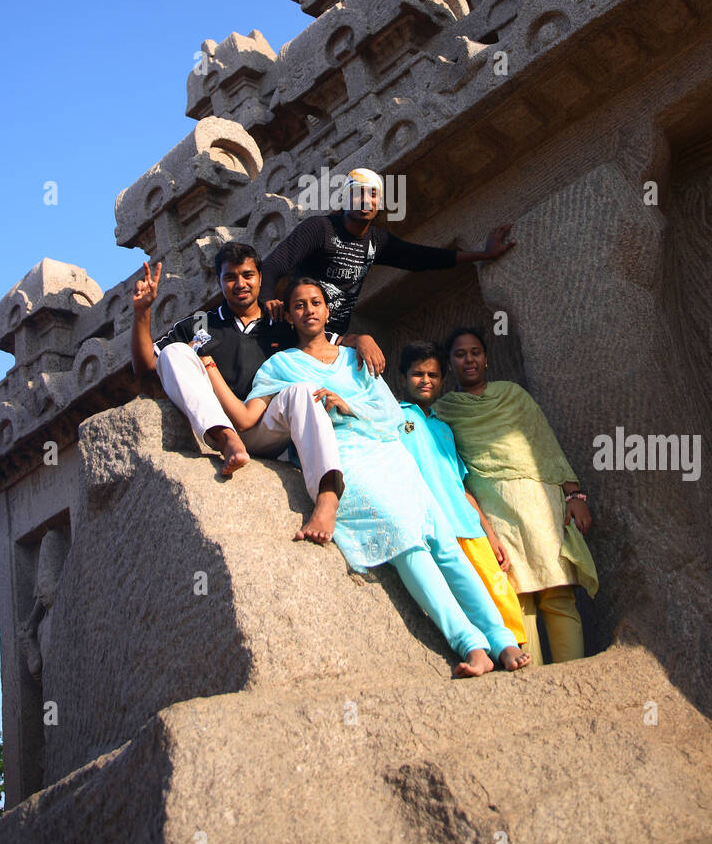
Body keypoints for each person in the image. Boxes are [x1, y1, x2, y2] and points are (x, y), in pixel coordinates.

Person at [200, 276, 532, 677]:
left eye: (316, 302)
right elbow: (248, 417)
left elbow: (391, 414)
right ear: (288, 315)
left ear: (327, 310)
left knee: (442, 541)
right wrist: (209, 370)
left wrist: (347, 402)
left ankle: (501, 638)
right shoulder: (281, 365)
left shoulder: (356, 357)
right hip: (344, 458)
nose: (308, 310)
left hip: (387, 451)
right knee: (406, 544)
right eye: (299, 305)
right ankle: (470, 643)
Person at [131, 242, 353, 516]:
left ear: (260, 277)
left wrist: (363, 341)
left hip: (268, 428)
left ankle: (326, 496)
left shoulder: (282, 322)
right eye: (230, 277)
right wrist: (142, 313)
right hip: (217, 426)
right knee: (174, 352)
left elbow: (329, 343)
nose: (240, 284)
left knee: (303, 391)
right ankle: (226, 439)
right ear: (219, 282)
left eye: (247, 275)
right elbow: (147, 368)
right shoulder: (202, 324)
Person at [434, 328, 599, 665]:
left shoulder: (512, 395)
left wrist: (574, 494)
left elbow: (544, 443)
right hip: (490, 508)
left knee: (558, 590)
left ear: (486, 358)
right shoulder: (444, 410)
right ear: (450, 364)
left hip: (538, 500)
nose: (469, 359)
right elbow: (448, 467)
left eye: (476, 352)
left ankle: (576, 675)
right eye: (460, 354)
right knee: (514, 595)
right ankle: (529, 683)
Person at [257, 167, 516, 371]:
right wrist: (268, 298)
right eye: (359, 193)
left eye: (372, 195)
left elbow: (421, 257)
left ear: (379, 203)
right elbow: (272, 266)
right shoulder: (320, 229)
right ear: (346, 198)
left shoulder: (376, 241)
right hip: (300, 332)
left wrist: (482, 255)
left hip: (335, 340)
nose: (365, 200)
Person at [397, 341, 526, 646]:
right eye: (417, 373)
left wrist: (490, 533)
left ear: (443, 380)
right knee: (461, 603)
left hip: (468, 528)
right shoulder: (394, 418)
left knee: (500, 596)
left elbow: (461, 485)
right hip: (433, 529)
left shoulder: (444, 427)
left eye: (433, 374)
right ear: (402, 377)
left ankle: (517, 657)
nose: (426, 380)